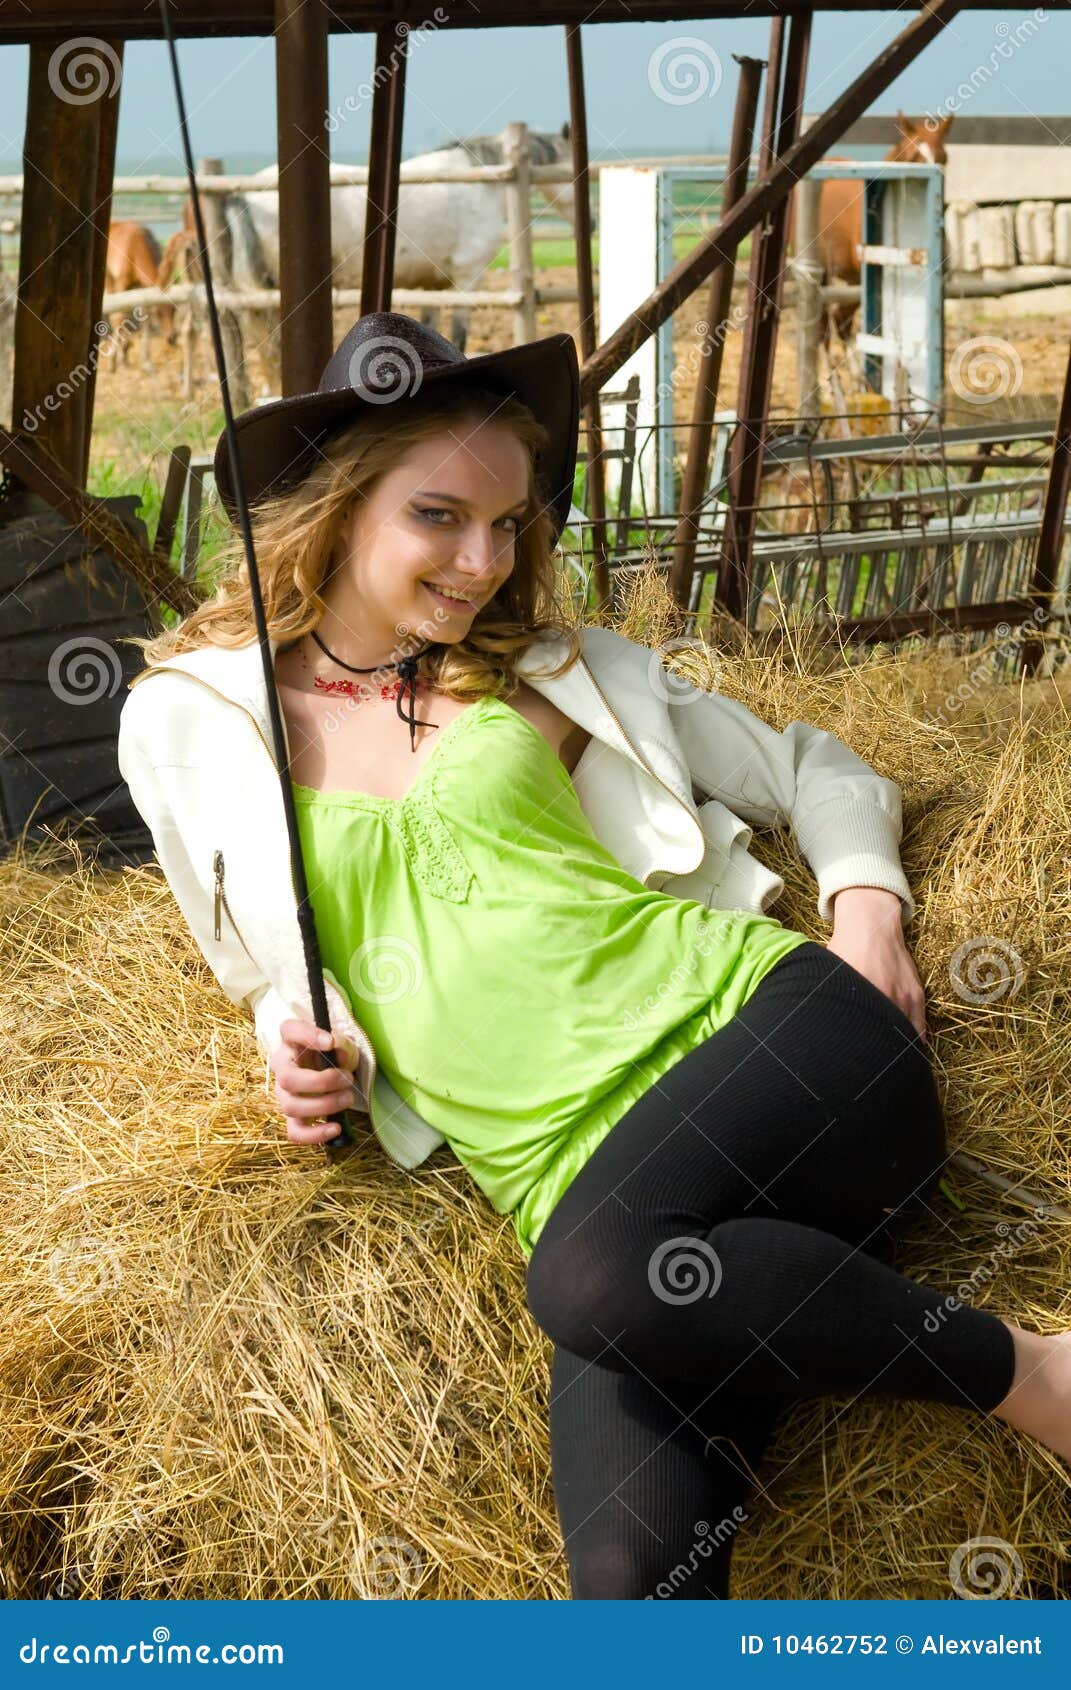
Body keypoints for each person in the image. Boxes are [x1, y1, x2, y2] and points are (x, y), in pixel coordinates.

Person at [117, 311, 1071, 1601]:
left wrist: (865, 913)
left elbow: (814, 767)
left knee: (586, 1275)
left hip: (774, 1042)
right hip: (590, 1186)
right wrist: (291, 1042)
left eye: (507, 526)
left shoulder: (564, 674)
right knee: (630, 1587)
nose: (482, 562)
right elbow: (255, 957)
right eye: (441, 517)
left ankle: (1035, 1376)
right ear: (340, 508)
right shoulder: (197, 724)